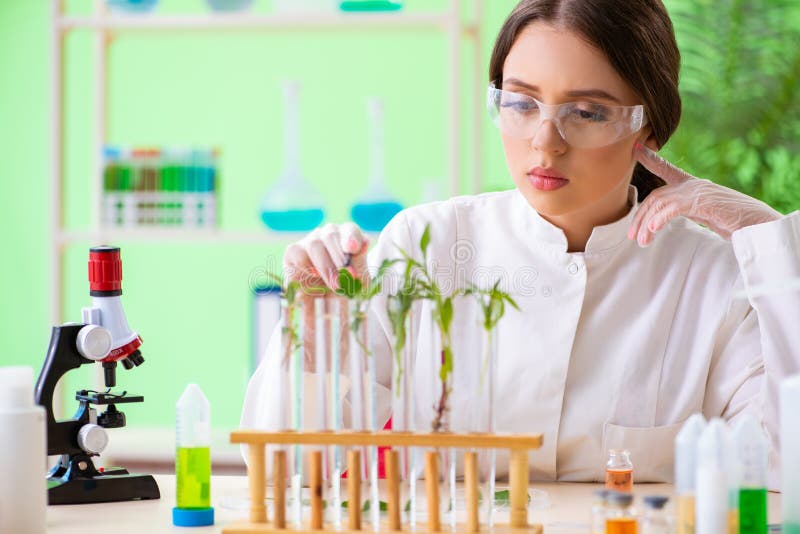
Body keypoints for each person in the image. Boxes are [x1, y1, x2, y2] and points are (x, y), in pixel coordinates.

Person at [241, 0, 799, 487]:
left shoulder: (713, 277)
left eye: (586, 112)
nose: (545, 142)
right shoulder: (425, 247)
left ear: (648, 126)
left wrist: (773, 242)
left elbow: (786, 466)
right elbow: (286, 467)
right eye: (522, 102)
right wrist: (311, 334)